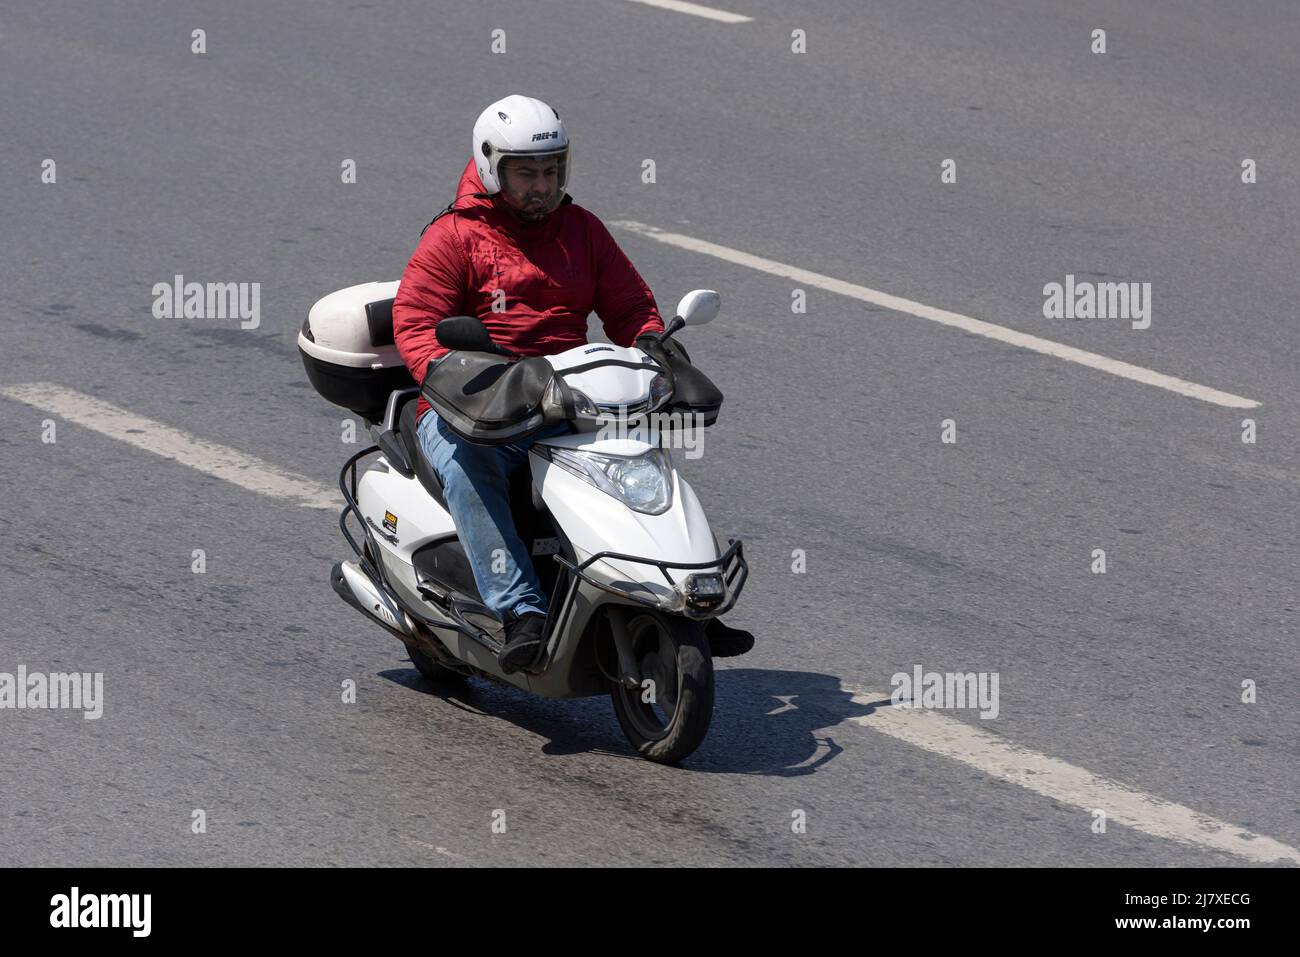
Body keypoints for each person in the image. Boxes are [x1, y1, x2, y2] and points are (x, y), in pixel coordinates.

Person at [392, 94, 667, 673]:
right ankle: (520, 610)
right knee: (472, 467)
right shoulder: (455, 237)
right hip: (475, 407)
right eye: (526, 173)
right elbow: (416, 325)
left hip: (567, 394)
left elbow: (630, 306)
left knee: (640, 455)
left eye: (551, 171)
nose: (542, 186)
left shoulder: (583, 231)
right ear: (493, 167)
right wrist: (459, 382)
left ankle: (674, 592)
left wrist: (651, 345)